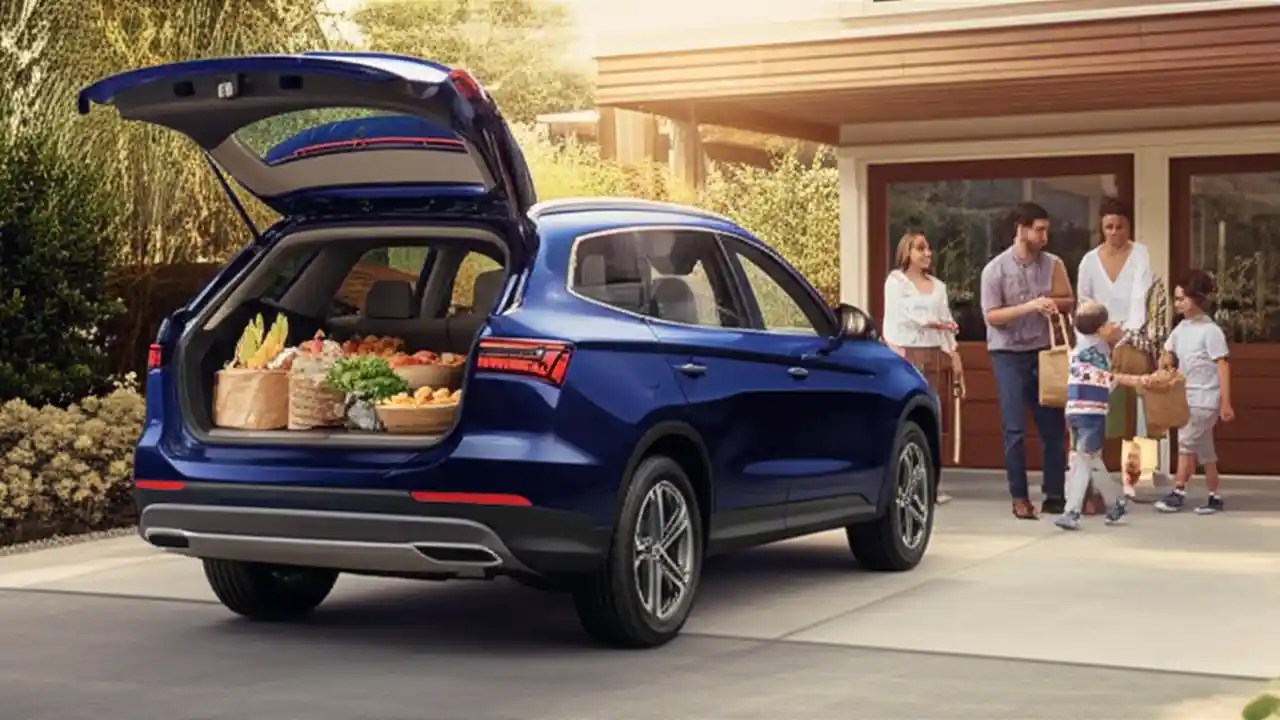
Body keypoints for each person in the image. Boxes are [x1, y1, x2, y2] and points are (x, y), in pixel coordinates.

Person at [979, 201, 1076, 520]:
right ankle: (1019, 496)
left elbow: (1068, 300)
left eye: (1047, 229)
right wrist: (1030, 306)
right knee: (1014, 428)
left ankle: (1055, 495)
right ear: (1021, 230)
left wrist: (1052, 304)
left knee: (1052, 426)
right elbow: (992, 316)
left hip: (1043, 351)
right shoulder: (994, 270)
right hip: (1006, 353)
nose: (1045, 235)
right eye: (1039, 229)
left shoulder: (1054, 264)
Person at [1075, 197, 1154, 500]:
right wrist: (1100, 331)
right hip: (1095, 339)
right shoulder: (1088, 260)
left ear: (1128, 226)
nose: (1114, 232)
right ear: (1101, 227)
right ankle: (1094, 477)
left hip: (1131, 338)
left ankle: (1135, 477)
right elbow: (1084, 300)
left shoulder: (1140, 255)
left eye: (1120, 226)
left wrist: (1125, 333)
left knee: (1133, 409)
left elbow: (1141, 296)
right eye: (1108, 226)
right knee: (1095, 407)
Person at [882, 230, 965, 504]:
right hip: (905, 358)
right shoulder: (895, 282)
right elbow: (902, 317)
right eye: (920, 248)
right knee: (906, 419)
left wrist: (954, 353)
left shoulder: (939, 286)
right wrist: (935, 323)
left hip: (932, 359)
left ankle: (932, 485)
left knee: (933, 417)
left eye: (928, 249)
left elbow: (946, 321)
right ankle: (903, 483)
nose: (927, 253)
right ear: (907, 252)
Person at [1055, 300, 1152, 531]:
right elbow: (1109, 380)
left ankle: (1072, 510)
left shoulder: (1084, 349)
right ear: (1099, 329)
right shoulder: (1095, 351)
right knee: (1091, 460)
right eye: (1106, 323)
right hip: (1087, 412)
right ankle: (1115, 503)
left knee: (1082, 459)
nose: (1112, 326)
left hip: (1081, 411)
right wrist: (1137, 379)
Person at [1154, 270, 1235, 515]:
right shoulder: (1182, 329)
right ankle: (1214, 495)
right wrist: (1167, 362)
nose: (1177, 303)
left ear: (1197, 298)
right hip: (1186, 397)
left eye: (1181, 298)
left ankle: (1178, 491)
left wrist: (1225, 403)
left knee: (1186, 445)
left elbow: (1223, 366)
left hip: (1205, 398)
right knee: (1205, 451)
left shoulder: (1210, 331)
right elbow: (1168, 351)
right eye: (1175, 299)